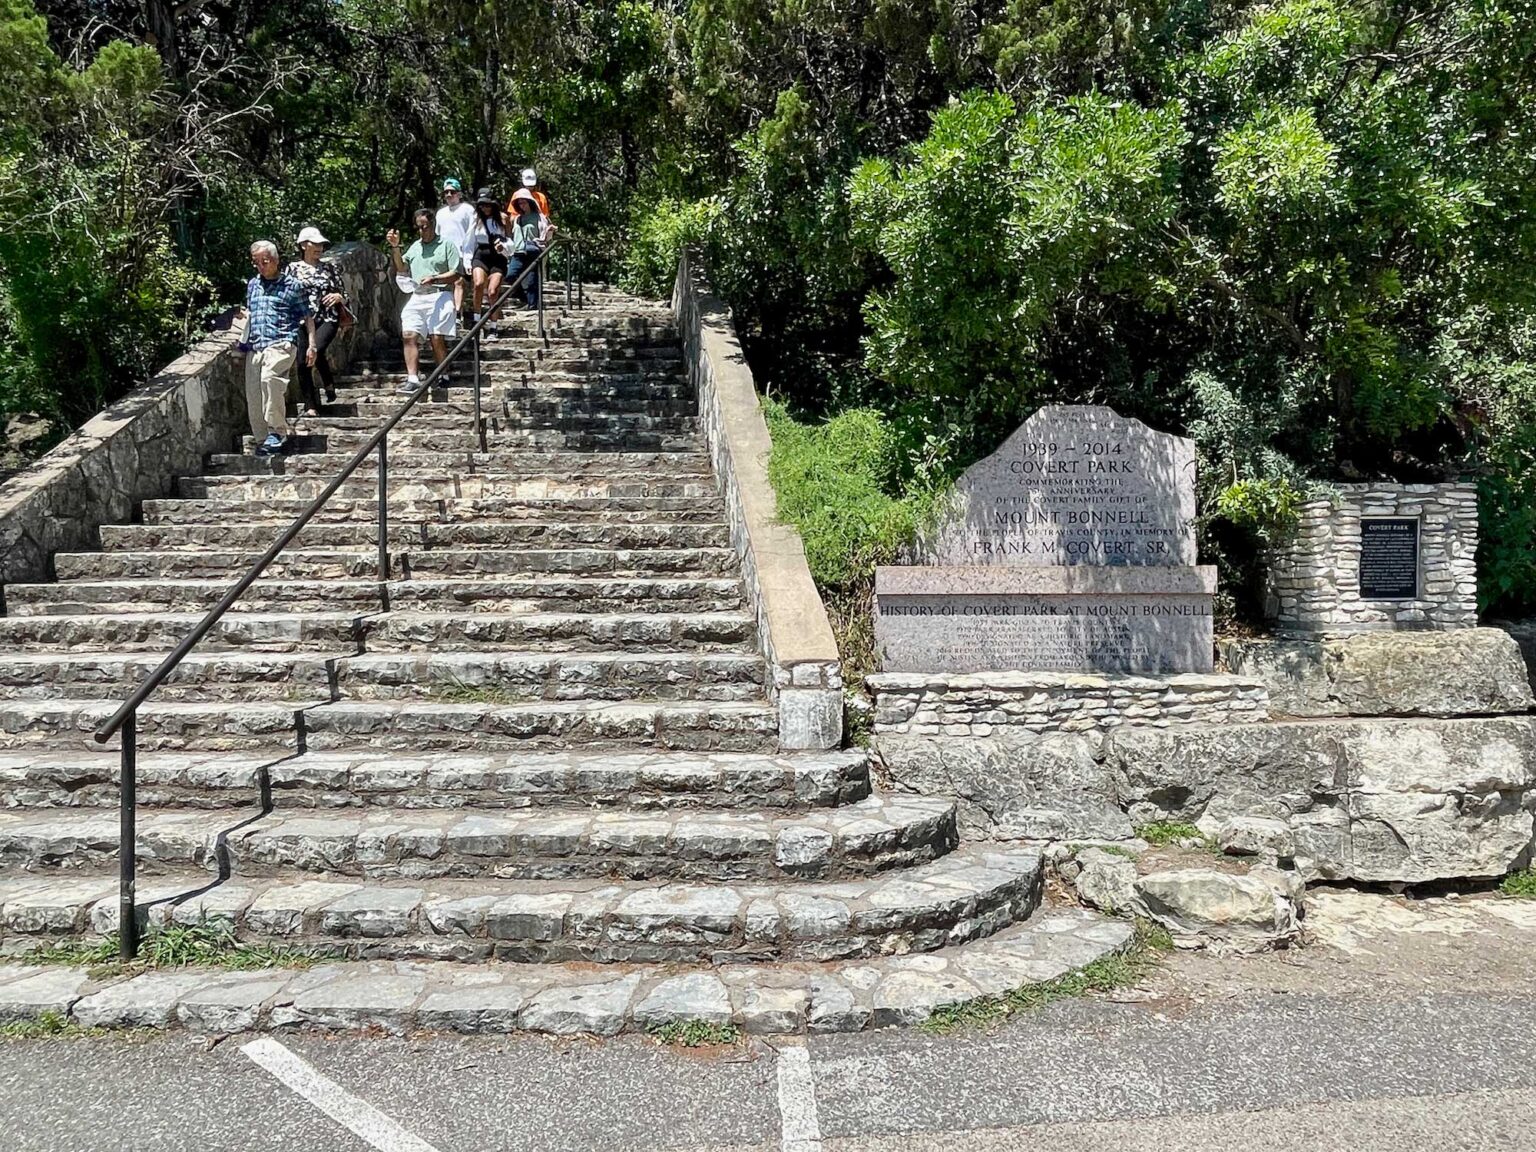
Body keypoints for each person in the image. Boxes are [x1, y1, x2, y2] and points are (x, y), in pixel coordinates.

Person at [239, 239, 315, 456]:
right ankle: (263, 440)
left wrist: (312, 345)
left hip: (281, 343)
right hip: (256, 346)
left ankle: (277, 431)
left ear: (275, 260)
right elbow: (251, 315)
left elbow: (307, 316)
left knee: (270, 380)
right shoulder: (253, 285)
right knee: (254, 395)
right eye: (256, 262)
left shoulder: (293, 286)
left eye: (264, 262)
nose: (260, 267)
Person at [386, 209, 461, 391]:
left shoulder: (446, 245)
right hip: (418, 295)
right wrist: (395, 247)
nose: (421, 231)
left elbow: (456, 273)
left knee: (436, 336)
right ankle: (412, 378)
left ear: (433, 225)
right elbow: (402, 267)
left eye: (425, 227)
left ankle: (443, 373)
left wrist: (435, 278)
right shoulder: (415, 246)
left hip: (440, 293)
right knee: (408, 334)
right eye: (418, 227)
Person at [285, 226, 348, 414]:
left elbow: (343, 293)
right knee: (303, 361)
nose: (319, 248)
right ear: (304, 245)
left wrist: (339, 297)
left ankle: (327, 381)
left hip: (328, 317)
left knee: (316, 350)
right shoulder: (292, 269)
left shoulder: (330, 268)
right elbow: (286, 295)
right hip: (301, 320)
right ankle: (310, 404)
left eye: (321, 244)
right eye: (315, 244)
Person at [468, 187, 511, 333]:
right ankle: (476, 318)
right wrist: (467, 259)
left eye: (488, 205)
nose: (485, 208)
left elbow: (511, 240)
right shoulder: (476, 219)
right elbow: (470, 240)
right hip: (481, 254)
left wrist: (504, 247)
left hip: (498, 257)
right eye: (482, 205)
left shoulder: (503, 218)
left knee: (493, 291)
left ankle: (493, 326)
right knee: (478, 283)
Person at [435, 178, 476, 321]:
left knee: (459, 282)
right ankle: (448, 313)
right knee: (446, 284)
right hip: (444, 254)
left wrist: (468, 256)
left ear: (459, 194)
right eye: (446, 192)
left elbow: (471, 233)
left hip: (461, 252)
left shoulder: (467, 210)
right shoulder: (440, 213)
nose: (448, 195)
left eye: (452, 192)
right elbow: (437, 234)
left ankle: (458, 313)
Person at [504, 187, 551, 311]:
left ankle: (533, 306)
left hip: (533, 250)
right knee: (510, 275)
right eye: (519, 203)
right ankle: (524, 299)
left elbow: (546, 234)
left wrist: (548, 233)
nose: (522, 205)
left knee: (532, 280)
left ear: (530, 202)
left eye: (524, 202)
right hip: (519, 250)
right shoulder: (518, 219)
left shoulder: (539, 217)